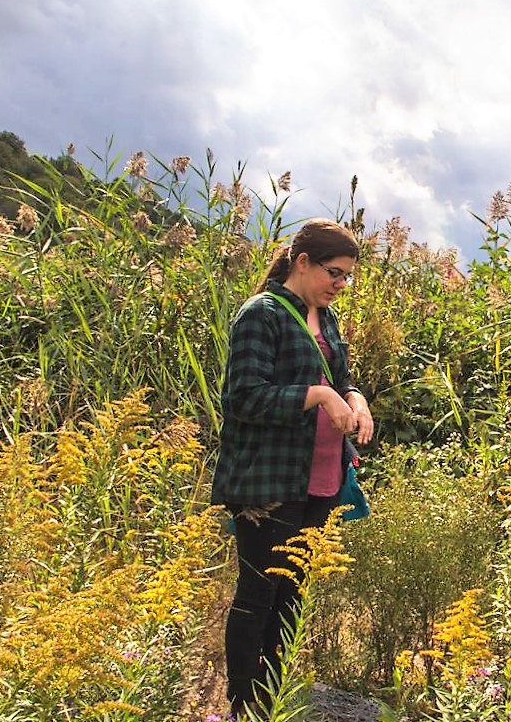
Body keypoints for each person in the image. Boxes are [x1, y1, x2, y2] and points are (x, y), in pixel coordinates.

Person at [210, 219, 374, 718]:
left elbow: (341, 380)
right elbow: (244, 398)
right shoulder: (261, 315)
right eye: (334, 273)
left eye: (347, 276)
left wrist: (355, 399)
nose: (340, 284)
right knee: (259, 593)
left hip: (321, 479)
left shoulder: (326, 317)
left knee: (292, 596)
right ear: (301, 262)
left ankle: (272, 698)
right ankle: (244, 705)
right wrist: (319, 395)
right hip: (269, 481)